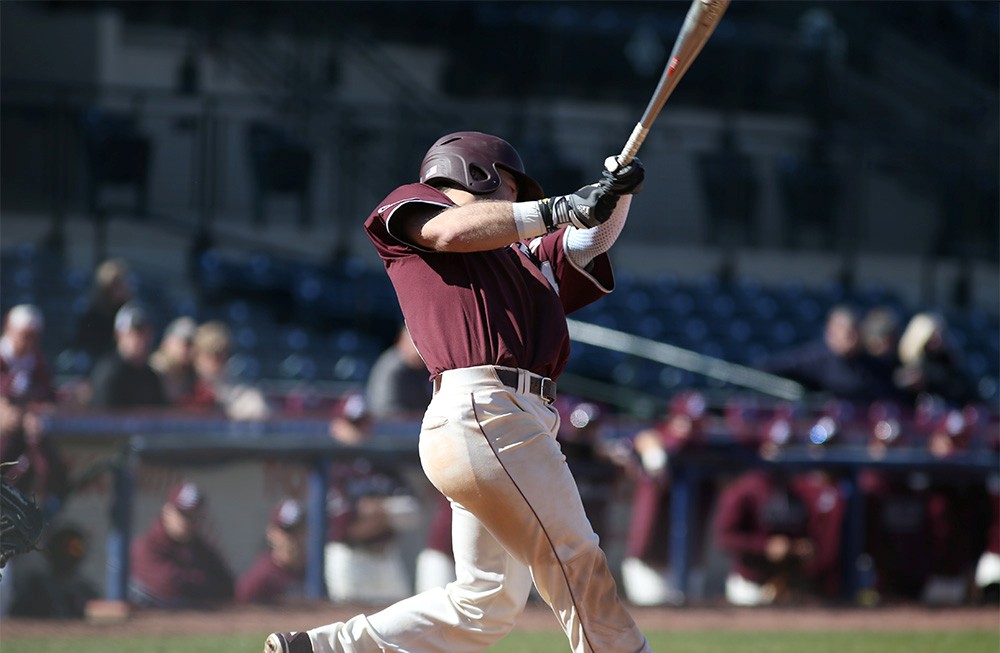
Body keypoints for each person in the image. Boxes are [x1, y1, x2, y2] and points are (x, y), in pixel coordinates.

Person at [264, 131, 649, 653]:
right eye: (513, 187)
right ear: (478, 173)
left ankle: (325, 649)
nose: (517, 199)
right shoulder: (418, 205)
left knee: (484, 604)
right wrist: (559, 207)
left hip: (506, 419)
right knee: (574, 555)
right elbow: (449, 231)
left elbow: (587, 241)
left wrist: (617, 192)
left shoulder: (518, 250)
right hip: (485, 407)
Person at [324, 391, 422, 605]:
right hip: (349, 556)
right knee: (347, 618)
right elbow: (343, 526)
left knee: (401, 618)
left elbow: (413, 511)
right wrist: (387, 514)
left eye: (364, 423)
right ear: (336, 426)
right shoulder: (329, 466)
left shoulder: (383, 464)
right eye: (353, 424)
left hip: (385, 555)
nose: (360, 430)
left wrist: (380, 510)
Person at [620, 391, 715, 606]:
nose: (690, 428)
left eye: (696, 423)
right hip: (649, 558)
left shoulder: (707, 448)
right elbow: (640, 439)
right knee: (651, 616)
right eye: (685, 421)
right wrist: (652, 452)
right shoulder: (658, 439)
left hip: (690, 558)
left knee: (691, 619)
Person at [0, 304, 68, 512]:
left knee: (42, 457)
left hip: (25, 437)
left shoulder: (36, 363)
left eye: (33, 336)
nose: (28, 342)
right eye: (24, 335)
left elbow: (47, 396)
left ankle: (50, 499)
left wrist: (35, 411)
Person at [129, 480, 235, 608]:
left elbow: (228, 586)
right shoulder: (145, 546)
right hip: (147, 618)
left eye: (195, 516)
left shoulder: (199, 547)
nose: (189, 521)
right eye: (183, 514)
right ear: (167, 511)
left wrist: (192, 580)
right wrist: (203, 580)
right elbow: (169, 585)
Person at [756, 304, 893, 404]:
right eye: (848, 334)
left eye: (856, 334)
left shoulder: (871, 365)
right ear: (831, 333)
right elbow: (770, 369)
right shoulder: (813, 359)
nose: (853, 340)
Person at [181, 320, 272, 421]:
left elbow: (259, 410)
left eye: (220, 354)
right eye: (209, 353)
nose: (215, 360)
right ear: (195, 354)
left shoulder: (240, 392)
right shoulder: (181, 383)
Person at [9, 524, 99, 618]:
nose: (67, 555)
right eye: (62, 547)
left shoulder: (85, 592)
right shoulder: (35, 588)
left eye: (76, 549)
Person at [88, 303, 168, 409]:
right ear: (119, 335)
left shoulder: (151, 376)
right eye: (136, 332)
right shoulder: (109, 374)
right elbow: (102, 415)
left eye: (147, 332)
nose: (143, 339)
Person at [894, 312, 977, 408]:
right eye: (933, 336)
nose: (938, 340)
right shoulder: (905, 365)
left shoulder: (948, 361)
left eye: (940, 334)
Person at [236, 498, 307, 604]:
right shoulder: (259, 579)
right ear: (271, 533)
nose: (294, 538)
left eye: (300, 530)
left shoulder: (316, 572)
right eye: (288, 531)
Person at [72, 258, 135, 366]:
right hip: (95, 359)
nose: (125, 287)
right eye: (119, 284)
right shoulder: (92, 310)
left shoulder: (126, 309)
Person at [364, 324, 433, 420]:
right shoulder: (392, 368)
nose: (419, 349)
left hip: (417, 423)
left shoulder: (426, 366)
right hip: (389, 426)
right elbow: (387, 412)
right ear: (401, 342)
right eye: (415, 343)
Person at [150, 315, 199, 405]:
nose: (190, 350)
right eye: (186, 344)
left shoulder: (193, 374)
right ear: (167, 343)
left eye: (194, 345)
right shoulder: (152, 371)